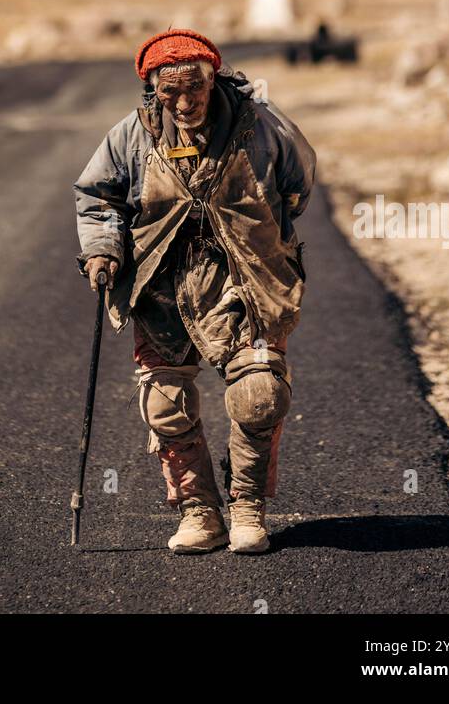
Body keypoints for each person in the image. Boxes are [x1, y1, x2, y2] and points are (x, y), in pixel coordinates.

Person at [74, 29, 316, 553]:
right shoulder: (131, 135)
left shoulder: (263, 126)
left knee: (259, 394)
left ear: (214, 80)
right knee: (165, 403)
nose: (184, 103)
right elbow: (99, 199)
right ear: (152, 90)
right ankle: (199, 511)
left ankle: (248, 508)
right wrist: (104, 249)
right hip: (161, 285)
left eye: (195, 89)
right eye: (170, 92)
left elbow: (296, 188)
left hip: (246, 280)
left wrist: (256, 235)